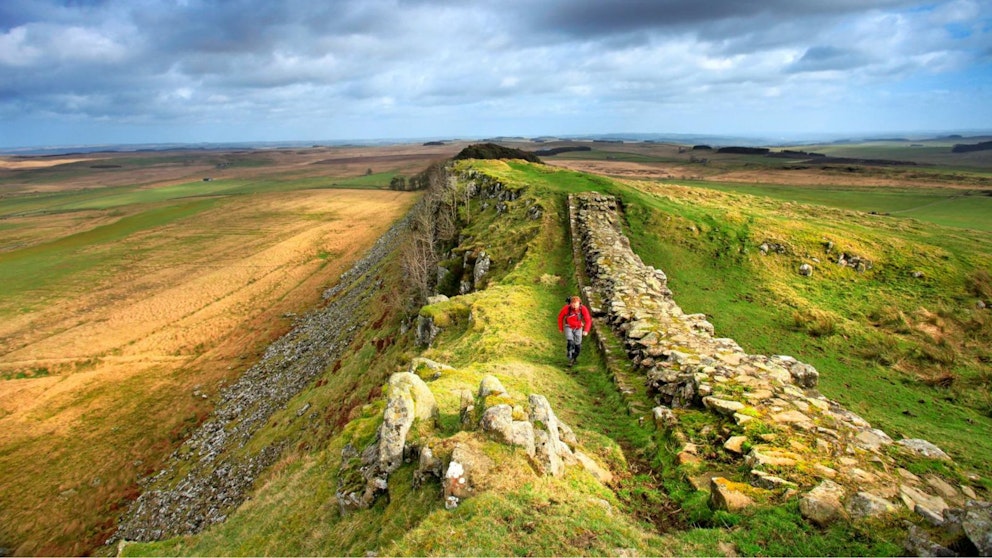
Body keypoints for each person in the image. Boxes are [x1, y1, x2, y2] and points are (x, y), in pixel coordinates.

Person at [557, 295, 592, 367]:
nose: (574, 305)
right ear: (570, 303)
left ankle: (574, 358)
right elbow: (560, 317)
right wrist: (560, 328)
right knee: (570, 341)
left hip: (579, 328)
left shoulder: (583, 309)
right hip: (568, 326)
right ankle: (570, 356)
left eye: (576, 303)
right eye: (573, 303)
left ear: (579, 303)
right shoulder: (567, 308)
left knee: (578, 346)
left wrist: (586, 330)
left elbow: (588, 320)